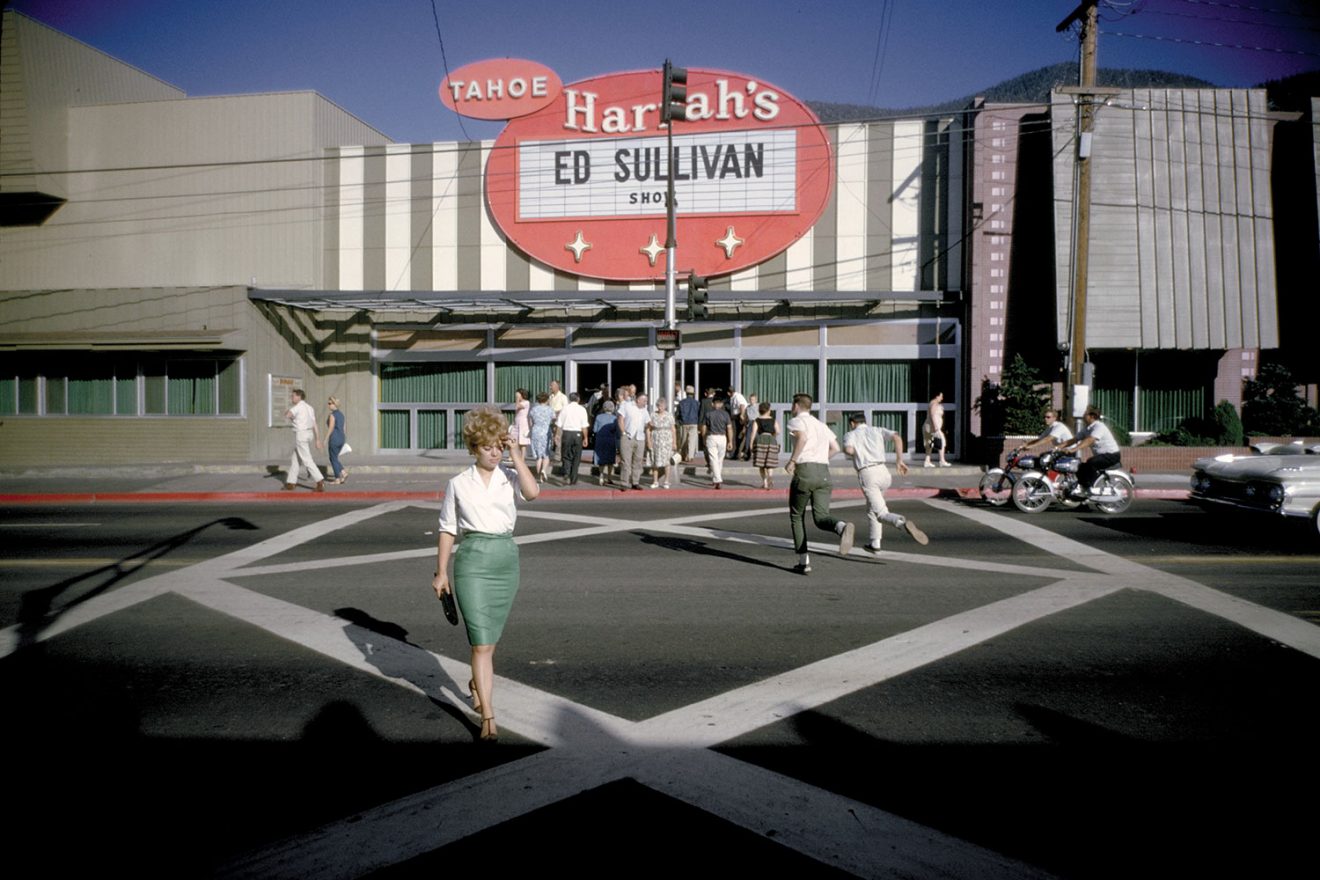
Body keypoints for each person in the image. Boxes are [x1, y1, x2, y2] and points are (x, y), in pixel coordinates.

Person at [431, 407, 539, 743]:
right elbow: (448, 529)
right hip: (473, 562)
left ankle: (478, 683)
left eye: (498, 446)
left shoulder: (510, 475)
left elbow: (533, 493)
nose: (494, 452)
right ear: (474, 447)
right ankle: (488, 716)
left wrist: (517, 456)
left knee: (489, 643)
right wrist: (441, 573)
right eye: (487, 446)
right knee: (481, 643)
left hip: (505, 560)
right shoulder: (458, 484)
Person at [784, 393, 853, 574]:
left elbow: (802, 438)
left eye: (792, 404)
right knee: (821, 517)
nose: (791, 408)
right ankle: (841, 526)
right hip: (823, 472)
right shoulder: (821, 425)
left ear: (797, 405)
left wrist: (793, 460)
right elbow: (836, 448)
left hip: (805, 470)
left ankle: (803, 561)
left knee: (796, 516)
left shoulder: (797, 421)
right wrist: (821, 458)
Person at [843, 413, 929, 552]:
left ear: (852, 423)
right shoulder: (877, 430)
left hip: (868, 474)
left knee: (881, 513)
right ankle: (875, 542)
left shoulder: (850, 434)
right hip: (884, 472)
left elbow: (848, 450)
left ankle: (901, 523)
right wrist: (899, 460)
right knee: (872, 508)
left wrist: (856, 451)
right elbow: (897, 437)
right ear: (865, 422)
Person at [1060, 405, 1121, 496]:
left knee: (1091, 462)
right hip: (1103, 455)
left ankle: (1090, 488)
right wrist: (1058, 447)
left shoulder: (1099, 426)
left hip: (1112, 455)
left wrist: (1073, 450)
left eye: (1085, 414)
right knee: (1080, 467)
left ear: (1092, 416)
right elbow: (1074, 440)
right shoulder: (1087, 428)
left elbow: (1089, 440)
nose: (1083, 416)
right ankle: (1083, 492)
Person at [282, 388, 325, 492]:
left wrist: (288, 412)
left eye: (293, 396)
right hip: (309, 433)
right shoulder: (310, 408)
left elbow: (287, 415)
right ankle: (291, 483)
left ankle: (319, 481)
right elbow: (314, 424)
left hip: (301, 434)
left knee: (307, 459)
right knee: (295, 459)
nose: (291, 398)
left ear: (299, 396)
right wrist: (317, 439)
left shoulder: (297, 407)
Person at [618, 391, 651, 490]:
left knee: (638, 461)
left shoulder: (644, 410)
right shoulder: (627, 406)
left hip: (640, 437)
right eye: (644, 400)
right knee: (626, 461)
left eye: (646, 401)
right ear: (638, 400)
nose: (646, 403)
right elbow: (620, 418)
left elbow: (648, 422)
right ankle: (624, 483)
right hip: (628, 436)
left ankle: (635, 482)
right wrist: (623, 432)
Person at [555, 391, 590, 485]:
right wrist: (585, 438)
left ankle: (566, 473)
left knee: (566, 455)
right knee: (576, 457)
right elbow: (584, 426)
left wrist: (557, 435)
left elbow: (559, 424)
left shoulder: (565, 409)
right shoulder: (582, 409)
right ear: (578, 399)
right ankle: (573, 478)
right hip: (577, 434)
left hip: (566, 433)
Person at [701, 395, 734, 489]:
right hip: (723, 437)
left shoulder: (708, 414)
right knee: (719, 460)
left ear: (712, 404)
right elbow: (729, 428)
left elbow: (704, 427)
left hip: (711, 437)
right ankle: (716, 479)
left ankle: (717, 479)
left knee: (713, 459)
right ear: (722, 404)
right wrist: (730, 441)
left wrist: (703, 437)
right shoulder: (726, 414)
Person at [748, 401, 781, 489]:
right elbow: (778, 431)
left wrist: (751, 443)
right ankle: (770, 476)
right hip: (771, 440)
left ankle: (765, 483)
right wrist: (772, 436)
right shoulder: (773, 420)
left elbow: (753, 433)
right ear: (768, 410)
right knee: (769, 462)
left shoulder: (757, 420)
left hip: (760, 440)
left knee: (761, 463)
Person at [646, 397, 677, 489]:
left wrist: (674, 442)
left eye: (662, 406)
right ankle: (655, 481)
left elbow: (673, 429)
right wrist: (648, 441)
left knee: (667, 461)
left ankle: (666, 481)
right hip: (656, 439)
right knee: (655, 461)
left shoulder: (669, 415)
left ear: (665, 406)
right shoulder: (652, 415)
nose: (660, 408)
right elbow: (648, 429)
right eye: (659, 406)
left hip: (667, 440)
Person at [528, 391, 554, 482]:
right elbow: (553, 420)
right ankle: (544, 470)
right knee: (546, 454)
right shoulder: (550, 409)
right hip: (546, 431)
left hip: (536, 431)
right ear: (547, 399)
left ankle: (539, 476)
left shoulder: (533, 409)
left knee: (538, 456)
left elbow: (531, 423)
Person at [592, 400, 619, 486]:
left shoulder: (598, 417)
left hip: (600, 439)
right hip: (610, 440)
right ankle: (609, 477)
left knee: (601, 458)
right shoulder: (615, 418)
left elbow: (595, 430)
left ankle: (601, 475)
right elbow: (617, 431)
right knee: (610, 459)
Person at [922, 392, 950, 467]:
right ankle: (942, 460)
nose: (942, 398)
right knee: (942, 441)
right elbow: (932, 415)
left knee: (929, 444)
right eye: (941, 396)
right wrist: (936, 427)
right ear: (936, 396)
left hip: (929, 426)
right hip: (932, 427)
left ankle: (927, 461)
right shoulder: (934, 403)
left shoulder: (934, 403)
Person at [325, 395, 348, 484]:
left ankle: (337, 478)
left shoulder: (332, 415)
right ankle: (343, 472)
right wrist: (343, 439)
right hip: (341, 438)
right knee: (334, 458)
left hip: (334, 438)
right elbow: (344, 428)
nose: (328, 405)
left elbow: (331, 428)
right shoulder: (342, 415)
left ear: (334, 404)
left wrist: (326, 439)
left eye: (330, 403)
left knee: (333, 458)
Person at [676, 385, 701, 462]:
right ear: (693, 394)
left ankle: (683, 455)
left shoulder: (681, 402)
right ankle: (690, 456)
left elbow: (677, 414)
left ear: (686, 393)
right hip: (694, 423)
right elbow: (698, 413)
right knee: (692, 440)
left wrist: (679, 421)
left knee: (683, 440)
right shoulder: (697, 403)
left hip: (684, 423)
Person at [509, 388, 531, 453]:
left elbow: (517, 406)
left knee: (523, 442)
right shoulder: (520, 402)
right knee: (513, 439)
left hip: (523, 424)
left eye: (518, 395)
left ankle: (522, 458)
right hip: (516, 423)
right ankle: (512, 456)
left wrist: (517, 398)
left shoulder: (526, 402)